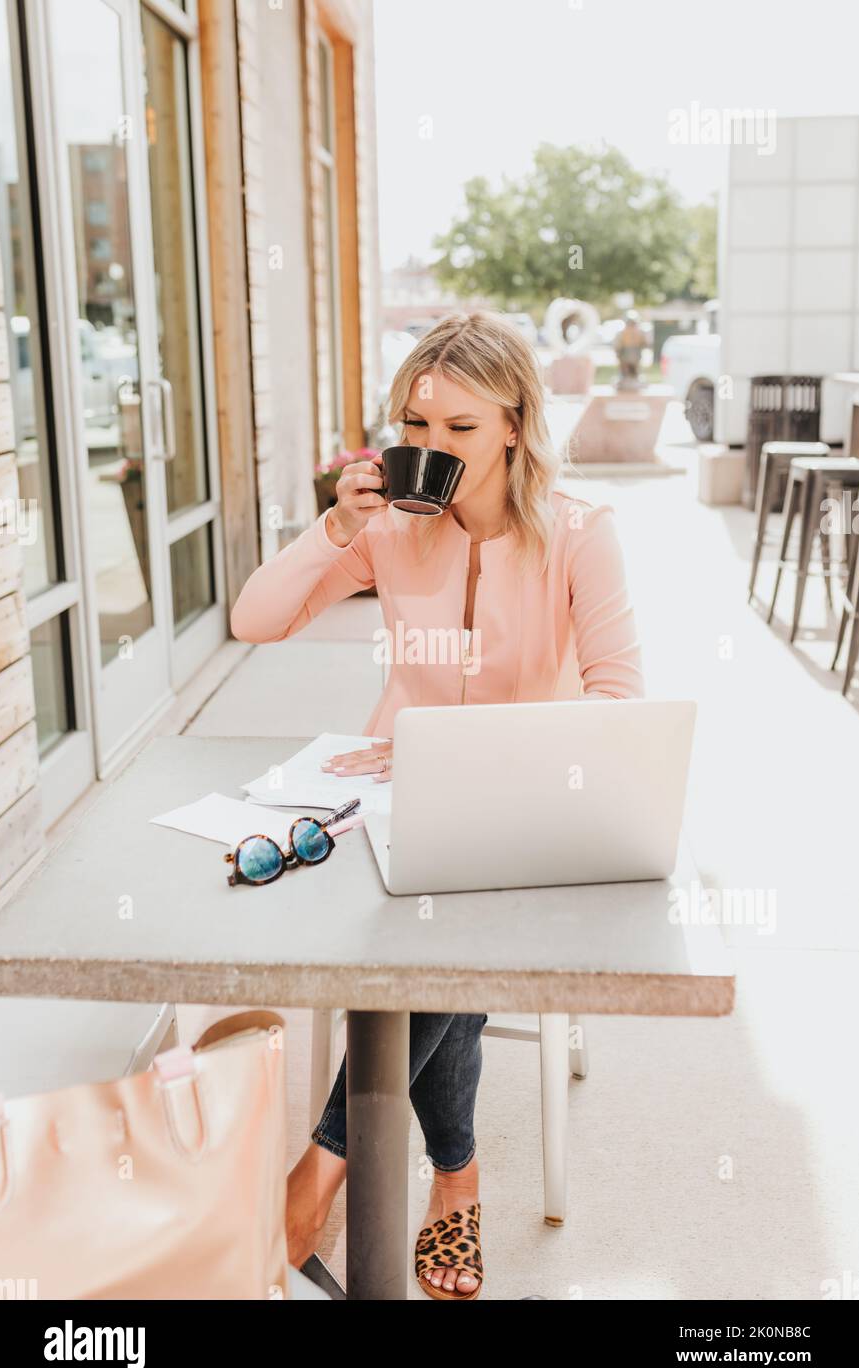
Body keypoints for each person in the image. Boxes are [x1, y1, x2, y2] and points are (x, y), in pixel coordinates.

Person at [229, 309, 645, 1299]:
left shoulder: (582, 535)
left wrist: (509, 762)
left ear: (513, 424)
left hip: (527, 812)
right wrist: (336, 523)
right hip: (394, 804)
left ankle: (327, 1168)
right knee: (429, 935)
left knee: (447, 936)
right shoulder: (392, 531)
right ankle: (452, 1178)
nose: (434, 450)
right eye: (416, 427)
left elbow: (617, 696)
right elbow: (256, 619)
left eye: (461, 429)